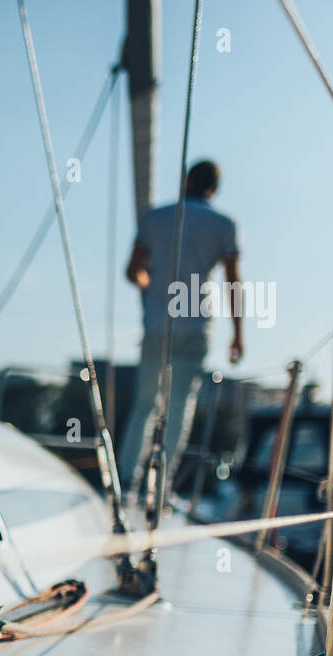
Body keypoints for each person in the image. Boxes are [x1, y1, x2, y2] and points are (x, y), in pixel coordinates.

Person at [118, 159, 244, 491]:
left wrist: (153, 284)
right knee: (178, 408)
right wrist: (238, 336)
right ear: (214, 189)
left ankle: (126, 476)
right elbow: (233, 283)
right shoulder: (224, 225)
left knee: (145, 403)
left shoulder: (154, 217)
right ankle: (160, 485)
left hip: (157, 322)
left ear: (186, 180)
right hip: (195, 324)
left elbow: (133, 271)